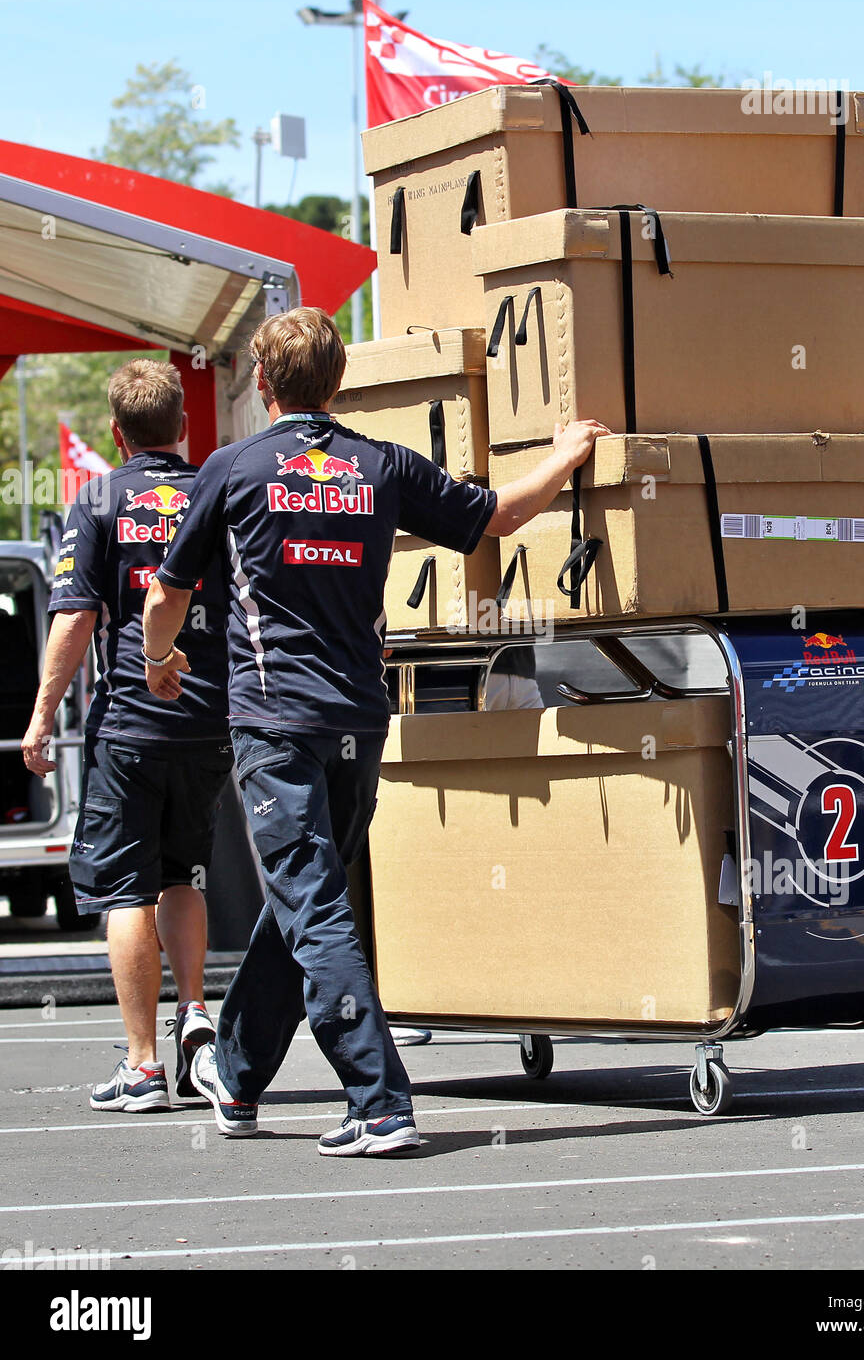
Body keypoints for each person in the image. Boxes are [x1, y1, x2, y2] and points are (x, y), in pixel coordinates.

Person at [142, 306, 609, 1157]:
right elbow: (499, 515)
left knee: (312, 903)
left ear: (262, 381)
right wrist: (567, 455)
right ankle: (238, 1076)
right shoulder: (378, 465)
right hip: (358, 719)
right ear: (340, 380)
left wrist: (158, 659)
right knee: (306, 900)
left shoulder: (231, 467)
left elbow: (165, 591)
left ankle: (379, 1100)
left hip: (276, 721)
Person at [21, 360, 231, 1112]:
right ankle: (194, 1014)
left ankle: (143, 1067)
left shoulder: (100, 499)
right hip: (211, 721)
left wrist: (41, 719)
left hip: (132, 724)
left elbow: (74, 617)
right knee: (184, 873)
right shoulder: (217, 489)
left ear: (116, 433)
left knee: (123, 888)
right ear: (182, 426)